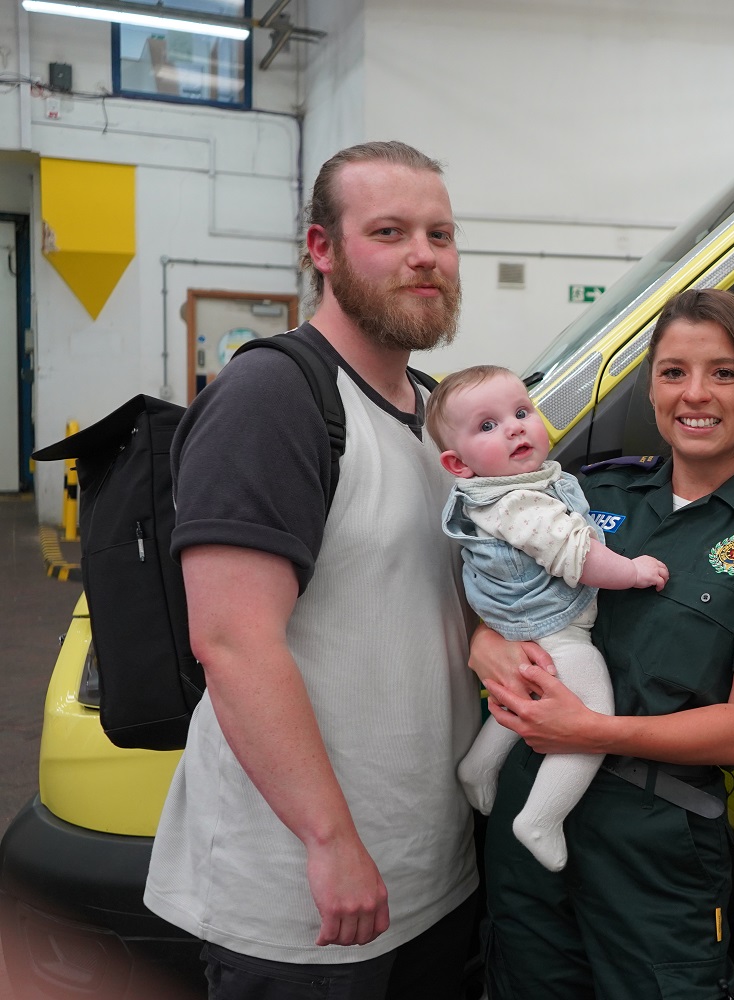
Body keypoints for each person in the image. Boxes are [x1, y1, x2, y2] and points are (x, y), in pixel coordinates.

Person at [144, 141, 481, 999]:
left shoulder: (437, 416)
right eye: (390, 231)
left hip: (428, 877)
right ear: (322, 249)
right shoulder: (278, 398)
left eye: (439, 235)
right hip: (301, 897)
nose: (423, 257)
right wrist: (331, 842)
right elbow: (232, 642)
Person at [470, 288, 734, 1000]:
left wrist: (591, 730)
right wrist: (481, 642)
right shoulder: (584, 494)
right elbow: (486, 580)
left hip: (654, 844)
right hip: (523, 818)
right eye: (673, 372)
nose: (694, 394)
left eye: (723, 373)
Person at [425, 364, 669, 872]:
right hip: (554, 627)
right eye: (488, 426)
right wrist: (635, 571)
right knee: (591, 715)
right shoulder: (520, 503)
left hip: (526, 625)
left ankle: (477, 767)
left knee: (525, 697)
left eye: (521, 412)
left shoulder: (504, 489)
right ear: (457, 463)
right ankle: (540, 818)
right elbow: (580, 559)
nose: (514, 427)